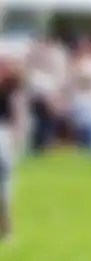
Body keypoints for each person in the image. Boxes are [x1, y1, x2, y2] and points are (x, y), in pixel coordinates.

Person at [0, 60, 24, 242]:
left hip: (4, 137)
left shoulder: (9, 92)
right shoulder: (11, 92)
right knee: (4, 189)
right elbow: (17, 120)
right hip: (5, 137)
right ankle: (8, 232)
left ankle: (7, 231)